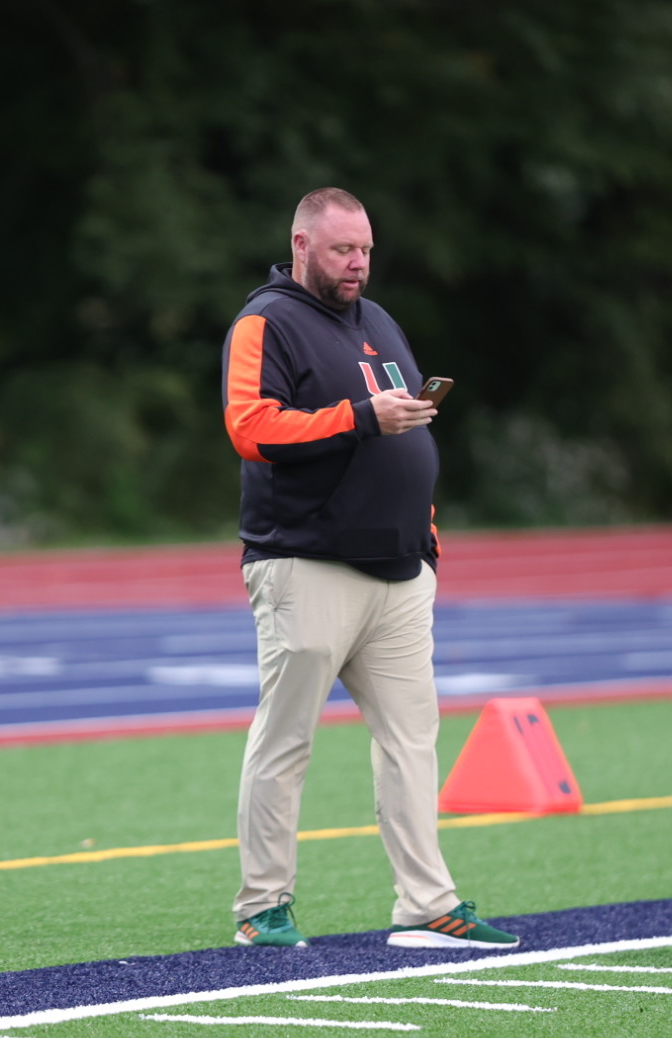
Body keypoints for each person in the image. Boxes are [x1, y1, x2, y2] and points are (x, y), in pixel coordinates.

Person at [219, 187, 518, 950]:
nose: (358, 264)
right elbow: (250, 427)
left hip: (398, 571)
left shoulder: (378, 321)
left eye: (366, 250)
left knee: (414, 739)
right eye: (343, 250)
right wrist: (361, 417)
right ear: (301, 246)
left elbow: (405, 440)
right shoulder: (266, 320)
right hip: (307, 563)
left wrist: (426, 536)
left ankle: (425, 904)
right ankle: (263, 906)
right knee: (287, 739)